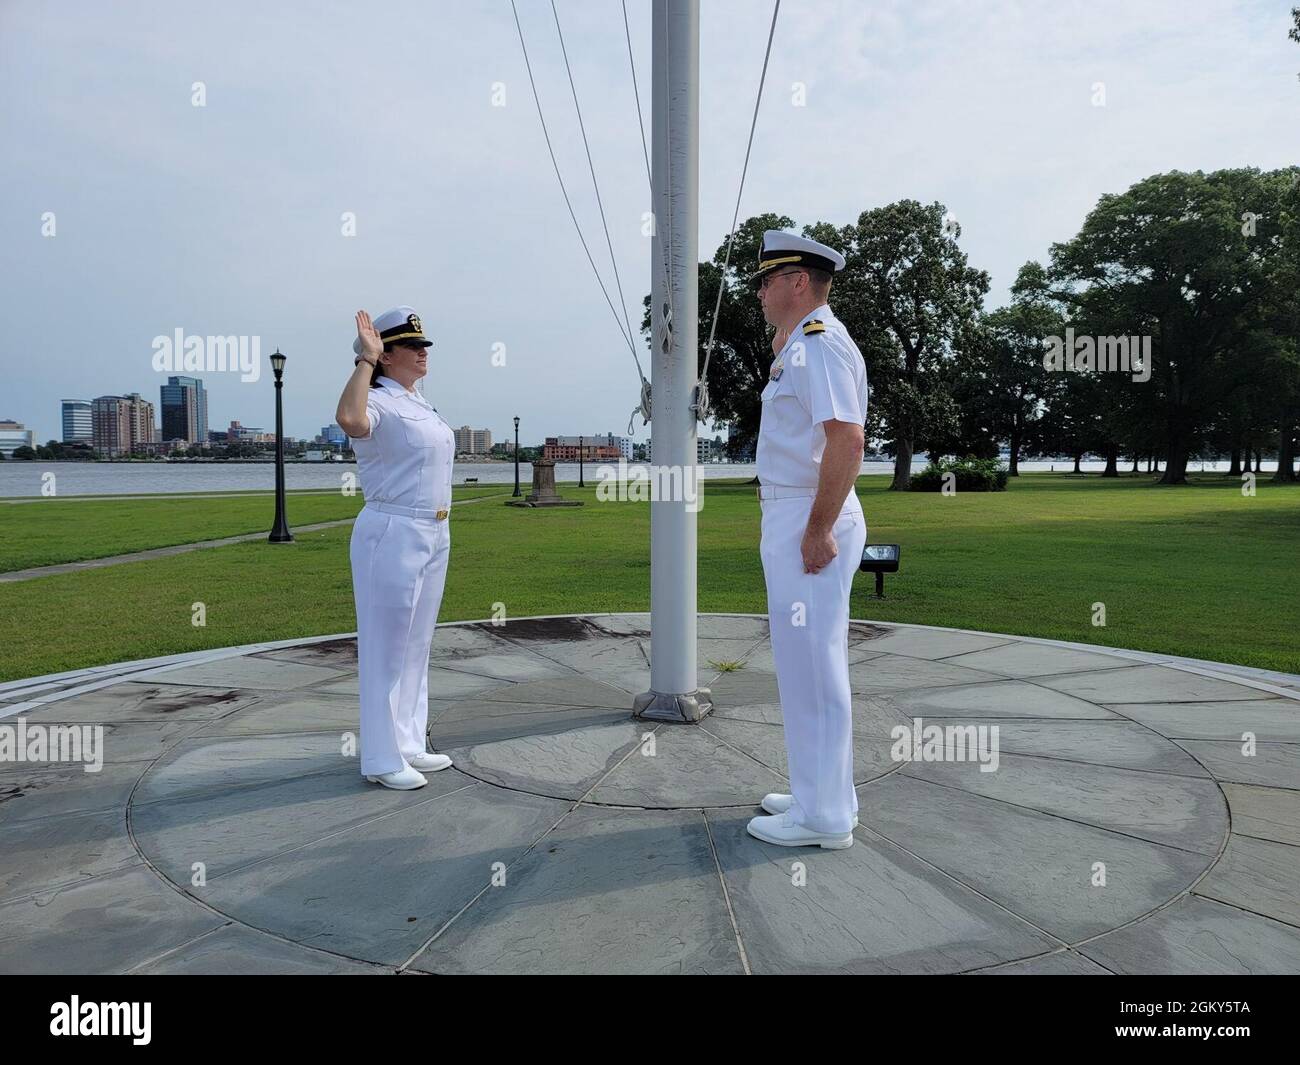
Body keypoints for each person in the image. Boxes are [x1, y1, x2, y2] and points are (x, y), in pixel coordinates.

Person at [744, 231, 869, 849]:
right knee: (806, 665)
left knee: (812, 668)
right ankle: (822, 792)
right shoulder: (801, 345)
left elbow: (847, 441)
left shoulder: (817, 346)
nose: (760, 291)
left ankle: (822, 819)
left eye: (767, 280)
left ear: (797, 281)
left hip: (808, 519)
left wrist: (818, 528)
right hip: (799, 515)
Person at [335, 306, 456, 790]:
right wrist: (364, 361)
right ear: (387, 356)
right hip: (392, 531)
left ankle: (407, 742)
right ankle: (382, 760)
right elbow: (349, 419)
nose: (423, 352)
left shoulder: (419, 402)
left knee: (415, 646)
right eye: (412, 346)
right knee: (386, 647)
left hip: (434, 531)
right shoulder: (378, 399)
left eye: (425, 345)